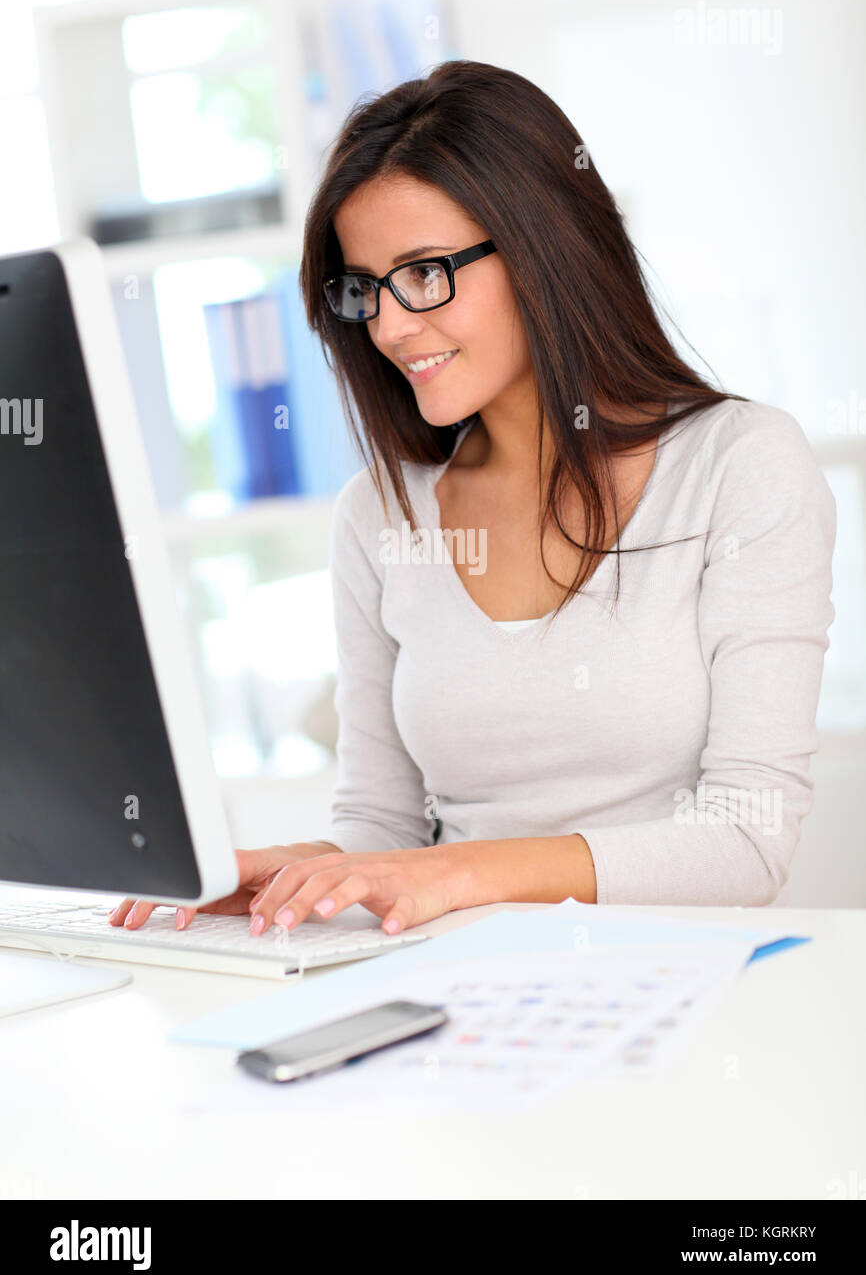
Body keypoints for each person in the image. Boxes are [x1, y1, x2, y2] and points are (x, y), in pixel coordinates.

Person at [110, 58, 835, 940]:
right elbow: (381, 828)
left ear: (546, 245)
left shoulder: (739, 466)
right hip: (453, 992)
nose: (389, 325)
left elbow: (745, 844)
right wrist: (312, 875)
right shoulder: (379, 517)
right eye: (366, 288)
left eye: (423, 272)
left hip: (684, 987)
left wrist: (451, 873)